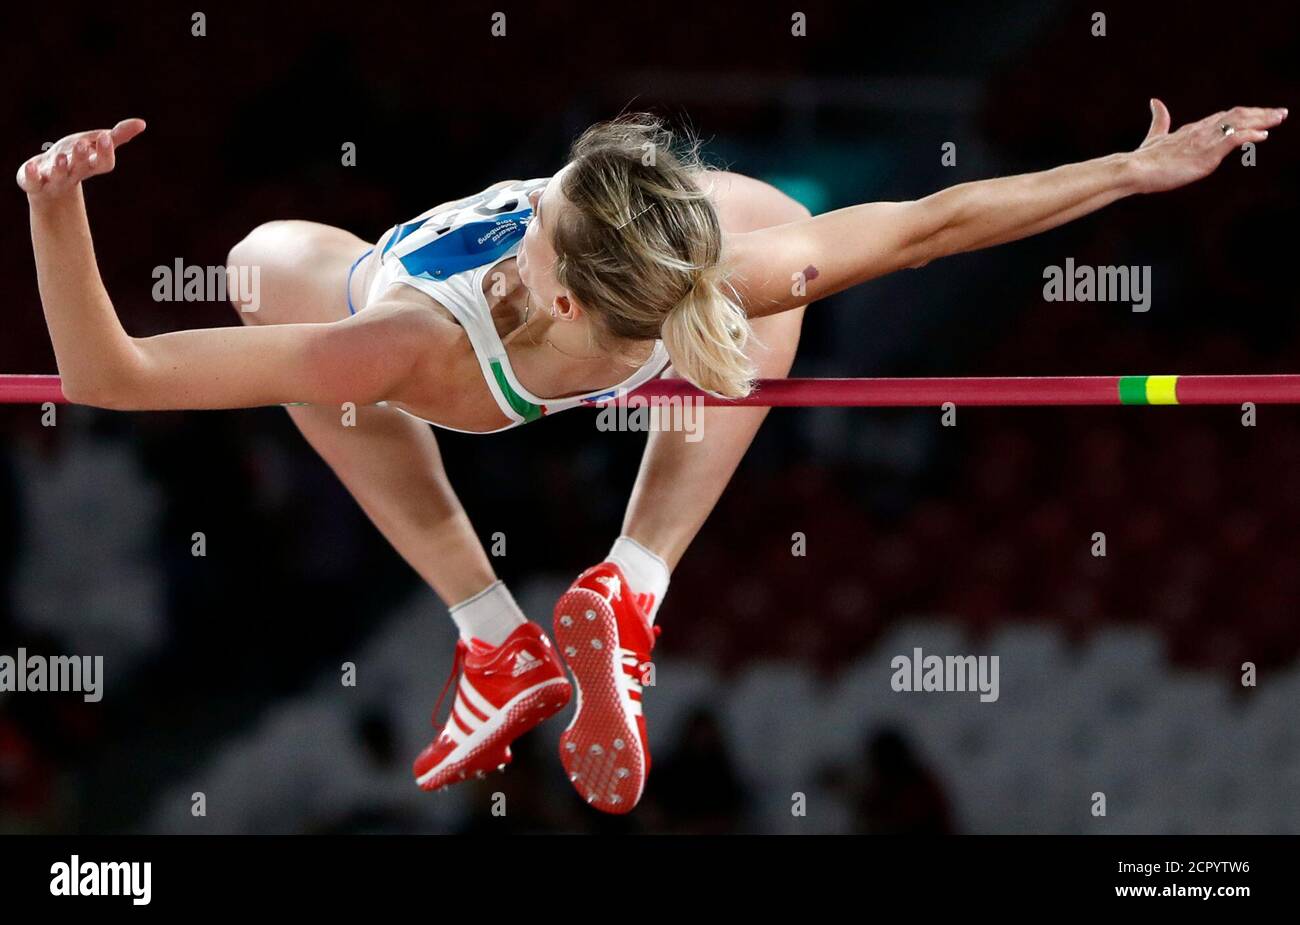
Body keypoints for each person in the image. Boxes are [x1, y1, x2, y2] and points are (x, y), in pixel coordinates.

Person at [18, 101, 1285, 813]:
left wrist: (54, 204)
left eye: (544, 211)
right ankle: (590, 594)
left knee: (264, 268)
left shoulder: (427, 339)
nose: (530, 205)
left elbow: (110, 374)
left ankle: (522, 618)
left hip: (484, 362)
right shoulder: (655, 290)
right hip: (551, 320)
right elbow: (939, 223)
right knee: (787, 250)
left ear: (566, 290)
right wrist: (1129, 168)